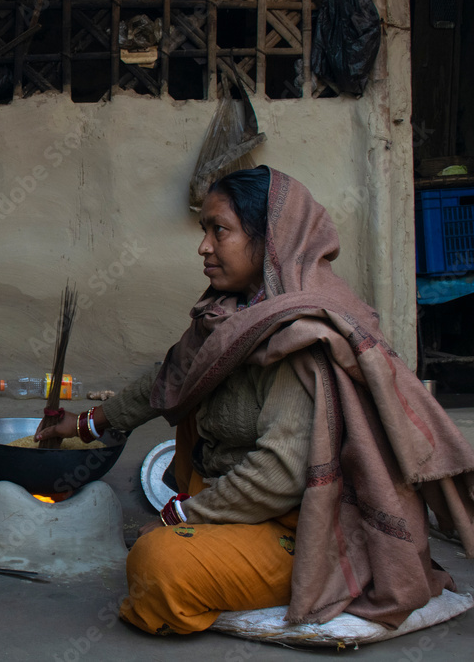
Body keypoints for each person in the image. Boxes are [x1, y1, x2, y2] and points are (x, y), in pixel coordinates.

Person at [35, 166, 474, 635]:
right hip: (241, 497)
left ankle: (245, 560)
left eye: (218, 230)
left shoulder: (301, 337)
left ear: (270, 240)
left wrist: (177, 516)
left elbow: (279, 475)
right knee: (192, 396)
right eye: (204, 230)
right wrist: (84, 425)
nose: (203, 246)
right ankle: (207, 532)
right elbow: (169, 379)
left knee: (156, 565)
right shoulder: (232, 313)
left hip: (302, 528)